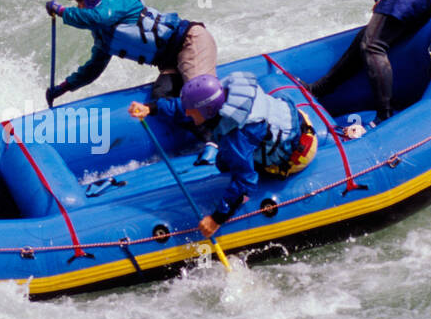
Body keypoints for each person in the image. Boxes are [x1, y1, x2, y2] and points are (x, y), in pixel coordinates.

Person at [129, 73, 317, 238]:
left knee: (226, 161)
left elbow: (245, 181)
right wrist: (151, 108)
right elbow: (183, 107)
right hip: (300, 120)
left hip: (297, 155)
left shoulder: (237, 136)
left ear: (207, 111)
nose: (186, 112)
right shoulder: (222, 98)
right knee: (225, 158)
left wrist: (216, 219)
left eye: (191, 110)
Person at [42, 0, 218, 107]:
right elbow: (92, 69)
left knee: (198, 97)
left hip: (190, 43)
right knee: (160, 97)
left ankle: (214, 136)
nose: (78, 6)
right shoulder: (104, 36)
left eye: (79, 1)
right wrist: (63, 88)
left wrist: (61, 11)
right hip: (171, 63)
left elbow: (98, 18)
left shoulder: (120, 0)